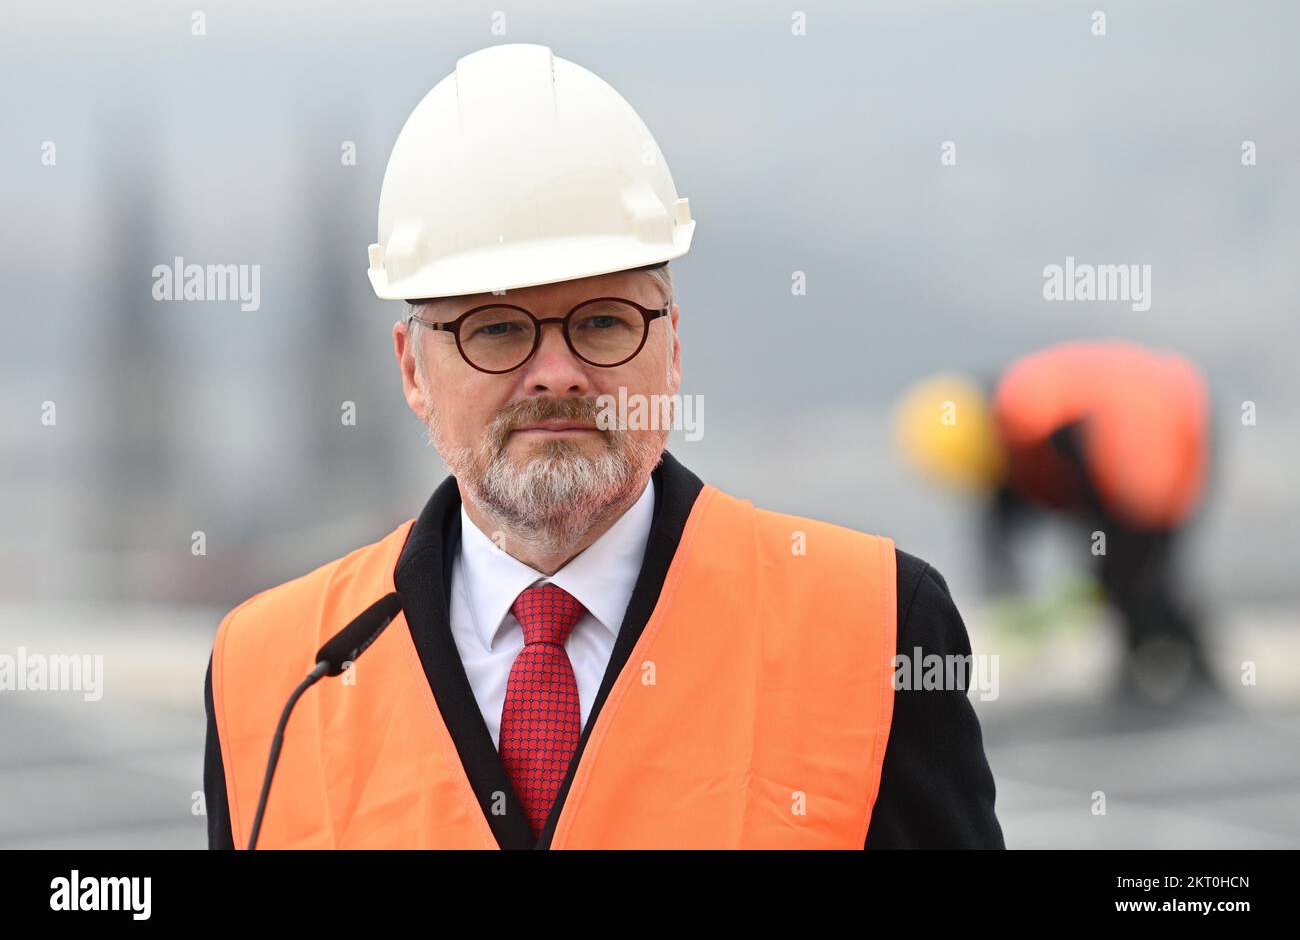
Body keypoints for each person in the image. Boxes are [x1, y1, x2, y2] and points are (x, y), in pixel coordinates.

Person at [203, 43, 1003, 849]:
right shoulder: (272, 675)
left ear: (673, 347)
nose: (557, 374)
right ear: (413, 368)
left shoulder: (874, 627)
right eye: (498, 329)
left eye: (603, 321)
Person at [894, 341, 1218, 705]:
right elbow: (1000, 518)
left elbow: (1122, 515)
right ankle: (1169, 671)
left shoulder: (1051, 421)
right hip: (1127, 443)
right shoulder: (1009, 426)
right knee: (1131, 574)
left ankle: (1184, 674)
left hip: (1166, 429)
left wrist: (1102, 576)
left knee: (1142, 574)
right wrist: (1009, 598)